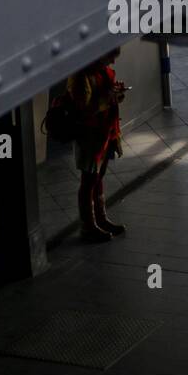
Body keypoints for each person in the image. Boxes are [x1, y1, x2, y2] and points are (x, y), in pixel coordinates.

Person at [67, 49, 127, 242]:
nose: (112, 62)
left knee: (98, 177)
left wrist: (116, 96)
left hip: (105, 133)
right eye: (110, 57)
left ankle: (100, 218)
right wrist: (108, 98)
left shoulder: (101, 72)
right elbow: (83, 109)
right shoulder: (80, 75)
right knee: (89, 180)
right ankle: (88, 225)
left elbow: (105, 99)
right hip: (89, 137)